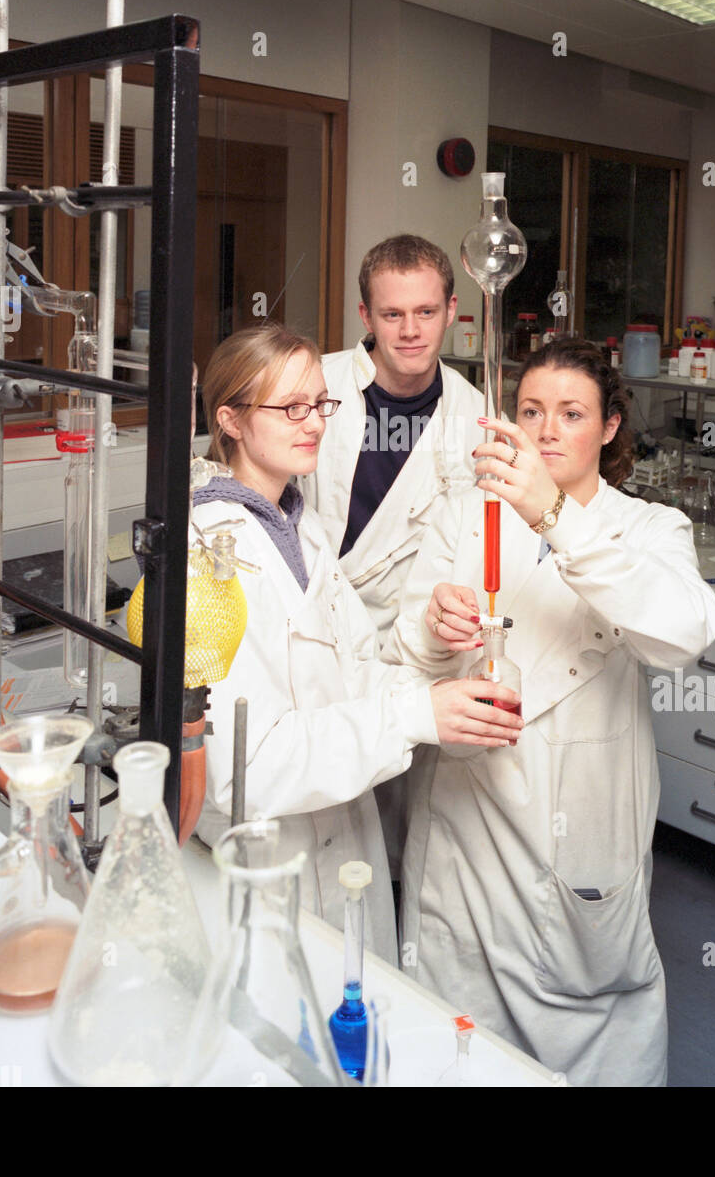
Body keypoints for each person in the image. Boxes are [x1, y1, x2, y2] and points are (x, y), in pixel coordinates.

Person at [385, 337, 715, 1083]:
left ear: (607, 429)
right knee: (456, 1039)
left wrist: (552, 514)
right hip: (467, 820)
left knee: (590, 1041)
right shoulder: (464, 516)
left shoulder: (648, 529)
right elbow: (410, 654)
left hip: (574, 828)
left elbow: (683, 634)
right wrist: (433, 625)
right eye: (531, 410)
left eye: (570, 413)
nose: (544, 430)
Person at [192, 324, 519, 963]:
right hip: (267, 865)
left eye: (321, 403)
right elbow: (243, 768)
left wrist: (438, 698)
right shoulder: (211, 553)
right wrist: (413, 715)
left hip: (334, 844)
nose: (314, 422)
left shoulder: (299, 524)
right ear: (230, 419)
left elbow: (357, 667)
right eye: (291, 408)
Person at [298, 234, 485, 877]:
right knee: (309, 815)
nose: (410, 330)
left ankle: (386, 959)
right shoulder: (313, 385)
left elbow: (476, 546)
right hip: (311, 631)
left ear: (453, 310)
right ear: (365, 316)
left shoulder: (474, 415)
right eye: (392, 314)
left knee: (396, 839)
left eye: (426, 312)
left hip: (410, 649)